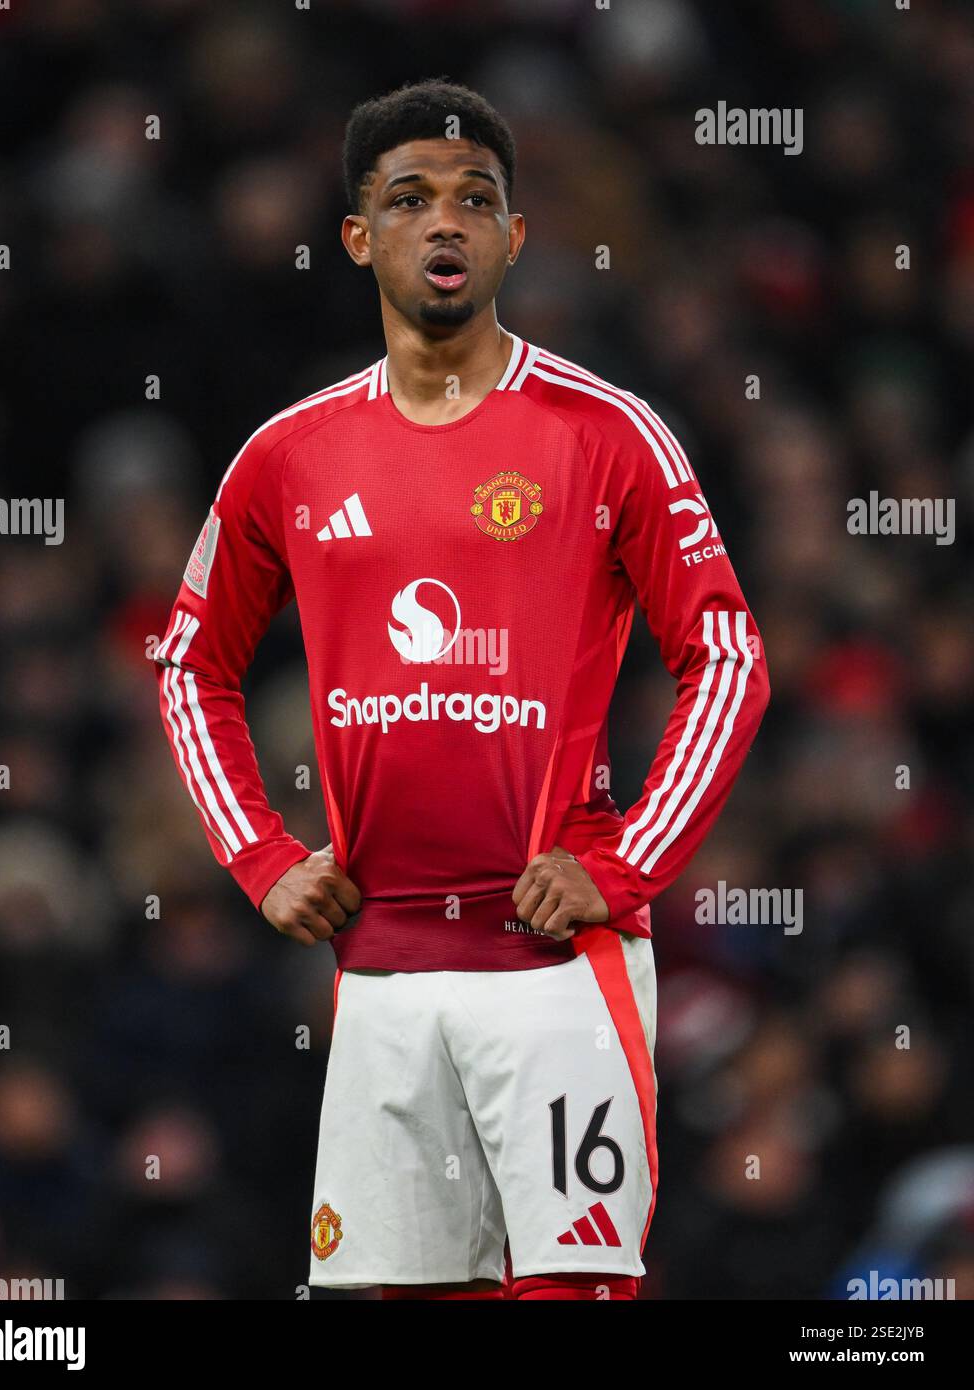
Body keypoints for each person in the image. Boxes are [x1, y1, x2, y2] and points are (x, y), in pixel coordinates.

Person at [153, 78, 770, 1300]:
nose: (446, 223)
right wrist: (263, 858)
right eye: (410, 199)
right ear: (358, 237)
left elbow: (728, 655)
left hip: (554, 965)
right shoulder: (288, 455)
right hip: (379, 970)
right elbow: (188, 663)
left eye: (475, 199)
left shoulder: (606, 432)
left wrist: (623, 859)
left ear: (514, 235)